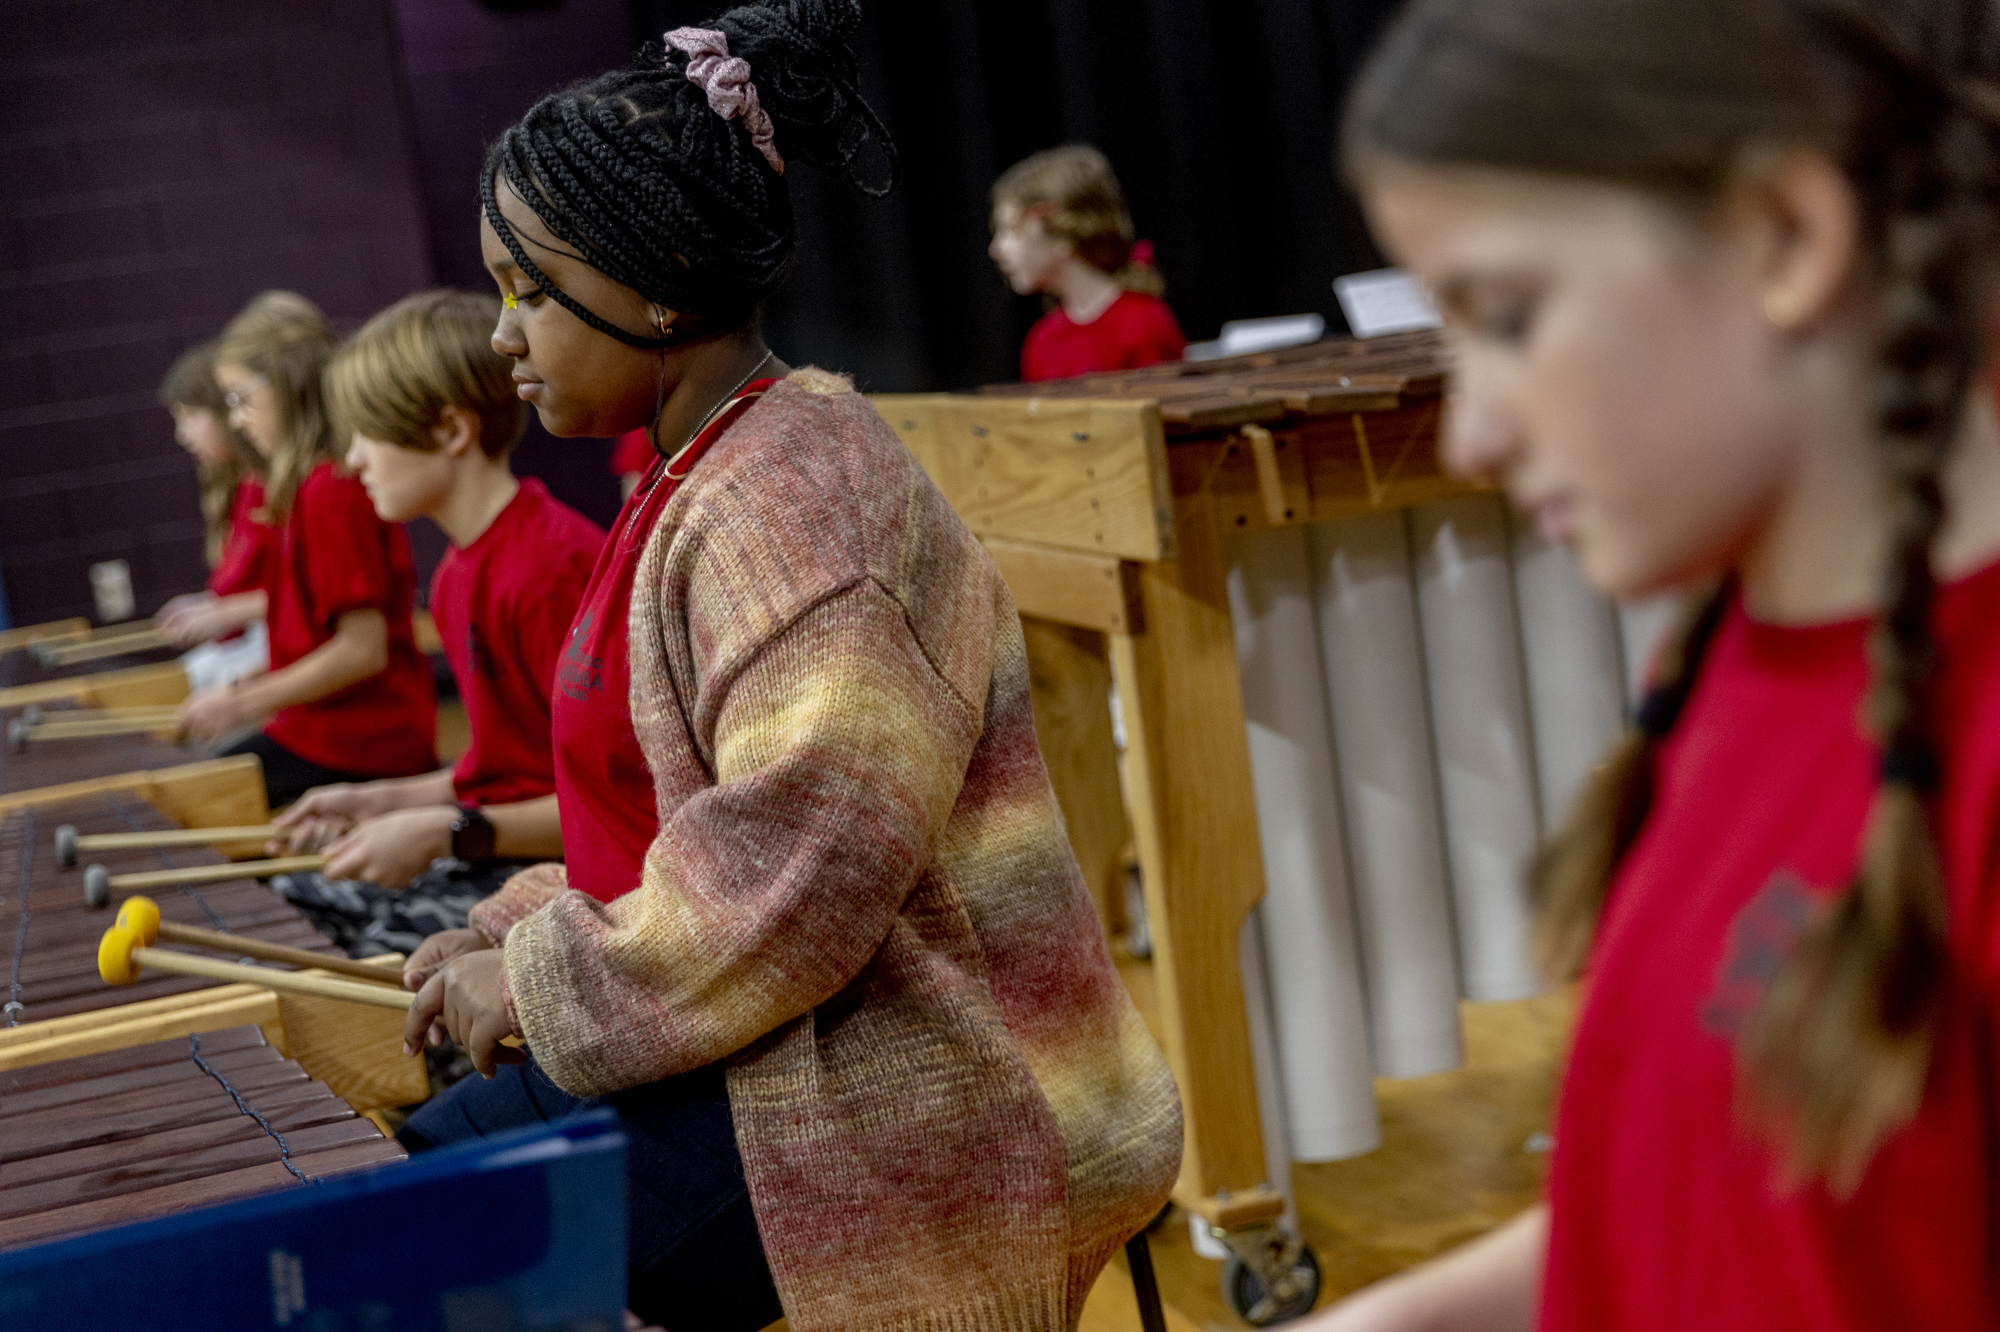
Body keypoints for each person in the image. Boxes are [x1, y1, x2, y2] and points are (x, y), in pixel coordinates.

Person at [394, 4, 1182, 1329]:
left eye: (529, 289)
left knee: (431, 1227)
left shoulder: (798, 501)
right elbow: (687, 839)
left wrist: (543, 976)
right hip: (778, 1040)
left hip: (909, 1097)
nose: (502, 337)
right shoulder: (697, 474)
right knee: (410, 1158)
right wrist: (530, 918)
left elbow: (796, 881)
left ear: (663, 274)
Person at [1311, 1, 2000, 1329]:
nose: (1471, 435)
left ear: (1787, 237)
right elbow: (1719, 1224)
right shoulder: (1726, 662)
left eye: (1506, 317)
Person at [266, 289, 604, 960]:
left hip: (572, 878)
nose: (353, 460)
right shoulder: (455, 576)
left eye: (368, 432)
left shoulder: (550, 571)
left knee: (383, 961)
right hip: (499, 845)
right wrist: (379, 801)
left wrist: (446, 833)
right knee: (292, 900)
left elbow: (612, 809)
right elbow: (509, 769)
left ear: (451, 431)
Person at [180, 292, 437, 808]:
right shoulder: (302, 488)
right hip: (321, 728)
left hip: (364, 742)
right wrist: (249, 683)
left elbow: (363, 651)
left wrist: (246, 703)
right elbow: (313, 632)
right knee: (197, 784)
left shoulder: (330, 490)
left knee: (198, 803)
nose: (236, 420)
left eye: (241, 399)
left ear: (286, 386)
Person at [989, 144, 1185, 382]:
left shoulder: (1142, 325)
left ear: (1061, 235)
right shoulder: (1042, 341)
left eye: (1011, 230)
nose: (997, 250)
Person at [154, 341, 273, 670]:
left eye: (190, 416)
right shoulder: (246, 486)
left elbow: (298, 595)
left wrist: (221, 613)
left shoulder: (271, 486)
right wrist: (207, 607)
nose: (183, 435)